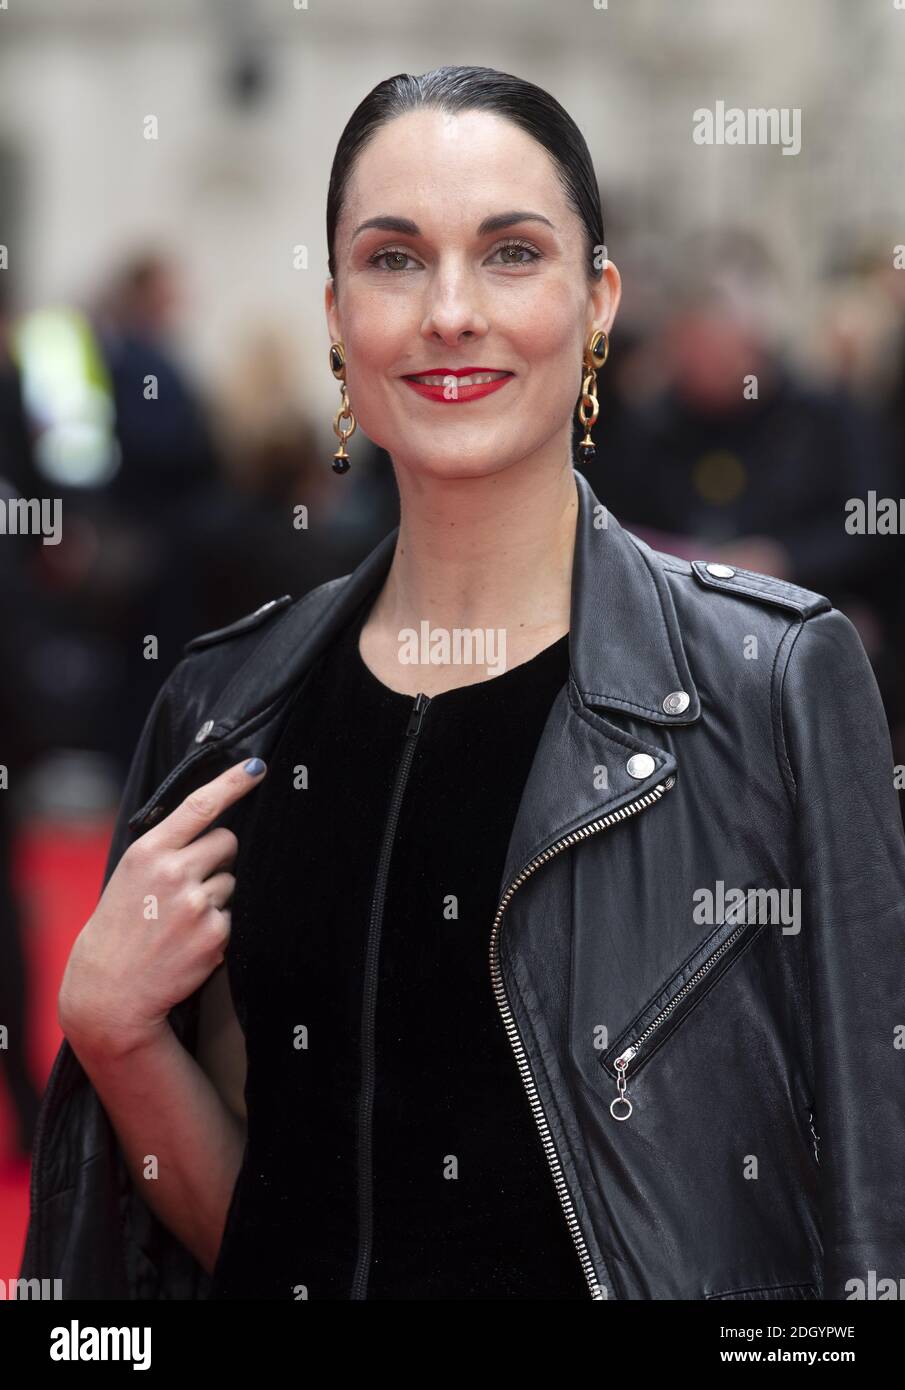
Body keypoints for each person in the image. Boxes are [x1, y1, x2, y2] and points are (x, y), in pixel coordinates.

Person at [22, 65, 905, 1301]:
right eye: (393, 259)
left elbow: (877, 1202)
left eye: (509, 254)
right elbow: (272, 1246)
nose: (448, 311)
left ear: (597, 302)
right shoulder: (227, 708)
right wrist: (116, 1039)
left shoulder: (767, 685)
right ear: (335, 314)